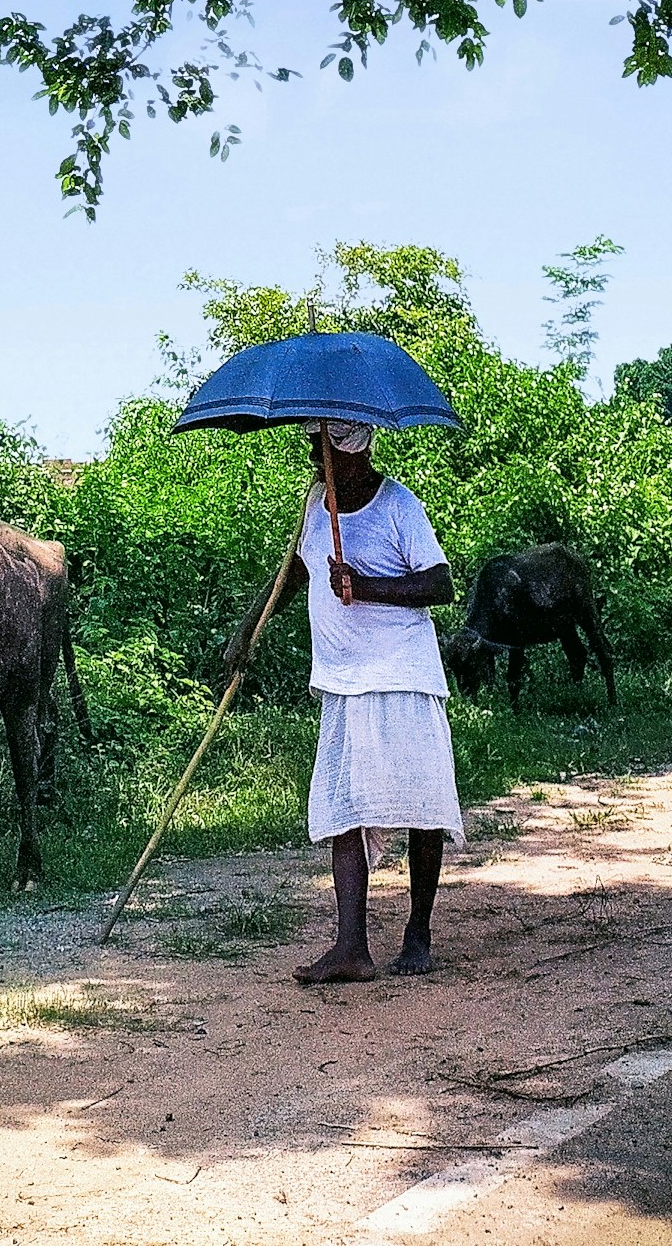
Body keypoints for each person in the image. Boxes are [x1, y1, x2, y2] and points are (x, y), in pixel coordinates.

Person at [222, 418, 461, 983]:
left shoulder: (399, 505)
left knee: (420, 808)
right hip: (342, 680)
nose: (313, 456)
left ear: (350, 450)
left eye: (321, 446)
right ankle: (351, 947)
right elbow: (292, 577)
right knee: (344, 809)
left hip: (404, 676)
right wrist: (246, 631)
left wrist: (368, 585)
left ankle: (418, 931)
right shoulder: (315, 504)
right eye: (313, 445)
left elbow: (440, 585)